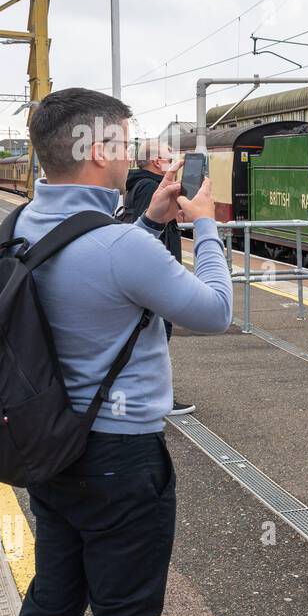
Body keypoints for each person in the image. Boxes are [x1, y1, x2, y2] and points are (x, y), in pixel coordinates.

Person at [0, 87, 233, 616]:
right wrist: (204, 224)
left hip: (50, 447)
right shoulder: (118, 247)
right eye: (125, 145)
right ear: (98, 149)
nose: (131, 157)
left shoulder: (22, 224)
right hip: (121, 462)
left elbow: (92, 261)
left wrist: (151, 220)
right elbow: (215, 311)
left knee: (51, 608)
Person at [124, 143, 195, 416]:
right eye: (169, 157)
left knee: (154, 334)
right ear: (156, 162)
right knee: (157, 335)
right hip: (155, 274)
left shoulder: (140, 184)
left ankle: (153, 395)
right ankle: (157, 398)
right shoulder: (148, 187)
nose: (174, 162)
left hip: (152, 272)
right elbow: (148, 232)